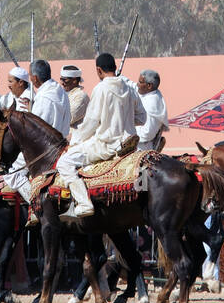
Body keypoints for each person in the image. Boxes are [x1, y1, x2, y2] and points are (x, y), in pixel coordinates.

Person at [55, 53, 146, 219]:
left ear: (98, 70)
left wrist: (74, 142)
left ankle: (83, 203)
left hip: (106, 145)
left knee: (64, 162)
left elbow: (91, 123)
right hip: (128, 143)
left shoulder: (100, 88)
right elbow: (142, 118)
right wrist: (122, 116)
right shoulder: (129, 87)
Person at [14, 60, 71, 222]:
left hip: (45, 153)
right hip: (60, 148)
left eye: (31, 77)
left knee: (13, 173)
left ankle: (34, 206)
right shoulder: (59, 91)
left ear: (36, 79)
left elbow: (36, 133)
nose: (30, 80)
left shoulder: (45, 97)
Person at [131, 70, 168, 152]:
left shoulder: (153, 103)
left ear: (149, 86)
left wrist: (126, 130)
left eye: (140, 82)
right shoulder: (150, 93)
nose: (137, 84)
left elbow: (146, 134)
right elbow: (132, 85)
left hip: (140, 149)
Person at [59, 65, 90, 130]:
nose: (62, 83)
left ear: (74, 81)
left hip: (76, 137)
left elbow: (68, 119)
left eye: (65, 80)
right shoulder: (64, 94)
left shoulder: (81, 97)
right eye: (61, 79)